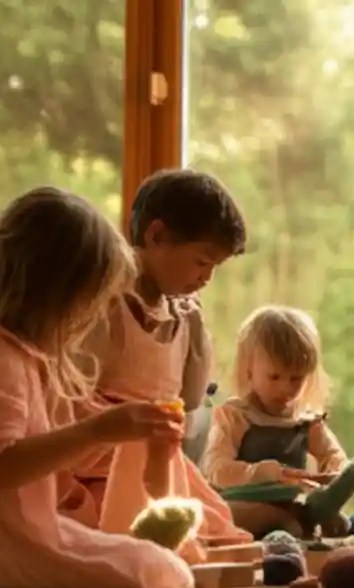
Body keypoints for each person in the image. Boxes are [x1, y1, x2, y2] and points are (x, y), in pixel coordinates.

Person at [0, 187, 192, 588]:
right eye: (85, 304)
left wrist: (118, 427)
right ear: (53, 293)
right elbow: (2, 464)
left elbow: (38, 427)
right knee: (160, 574)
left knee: (130, 555)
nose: (86, 318)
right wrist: (98, 430)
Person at [64, 169, 251, 555]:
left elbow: (192, 396)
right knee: (110, 528)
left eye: (215, 267)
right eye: (201, 262)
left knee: (215, 523)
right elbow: (69, 398)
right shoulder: (107, 303)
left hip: (159, 461)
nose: (206, 278)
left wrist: (196, 331)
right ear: (156, 235)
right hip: (96, 464)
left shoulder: (180, 313)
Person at [201, 305, 354, 538]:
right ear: (249, 369)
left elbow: (334, 456)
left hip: (289, 502)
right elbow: (217, 470)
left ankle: (316, 515)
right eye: (275, 376)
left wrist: (330, 475)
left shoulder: (304, 420)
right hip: (238, 504)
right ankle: (296, 531)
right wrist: (273, 473)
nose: (285, 388)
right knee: (284, 524)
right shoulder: (235, 416)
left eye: (296, 379)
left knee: (336, 524)